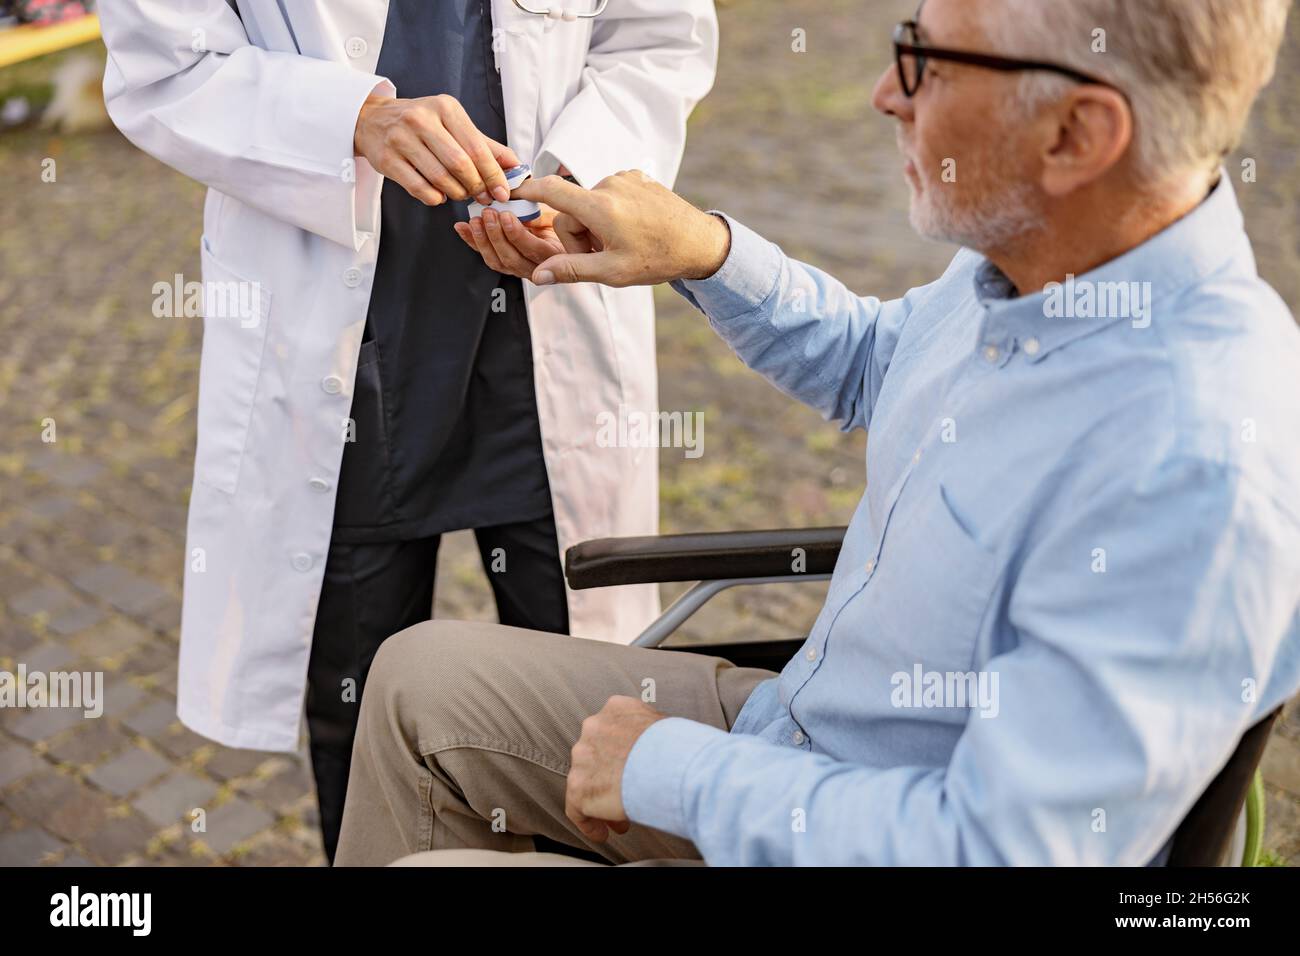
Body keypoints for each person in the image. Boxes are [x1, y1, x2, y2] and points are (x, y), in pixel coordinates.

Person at [334, 0, 1300, 866]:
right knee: (421, 678)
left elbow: (1002, 848)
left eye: (926, 61)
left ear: (1076, 133)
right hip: (799, 732)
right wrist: (703, 251)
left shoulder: (1193, 457)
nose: (886, 93)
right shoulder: (1049, 262)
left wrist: (670, 770)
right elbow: (883, 363)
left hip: (866, 814)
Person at [97, 0, 718, 860]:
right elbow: (165, 62)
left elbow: (657, 33)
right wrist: (352, 120)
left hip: (545, 305)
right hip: (345, 350)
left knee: (589, 701)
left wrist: (575, 170)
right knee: (363, 722)